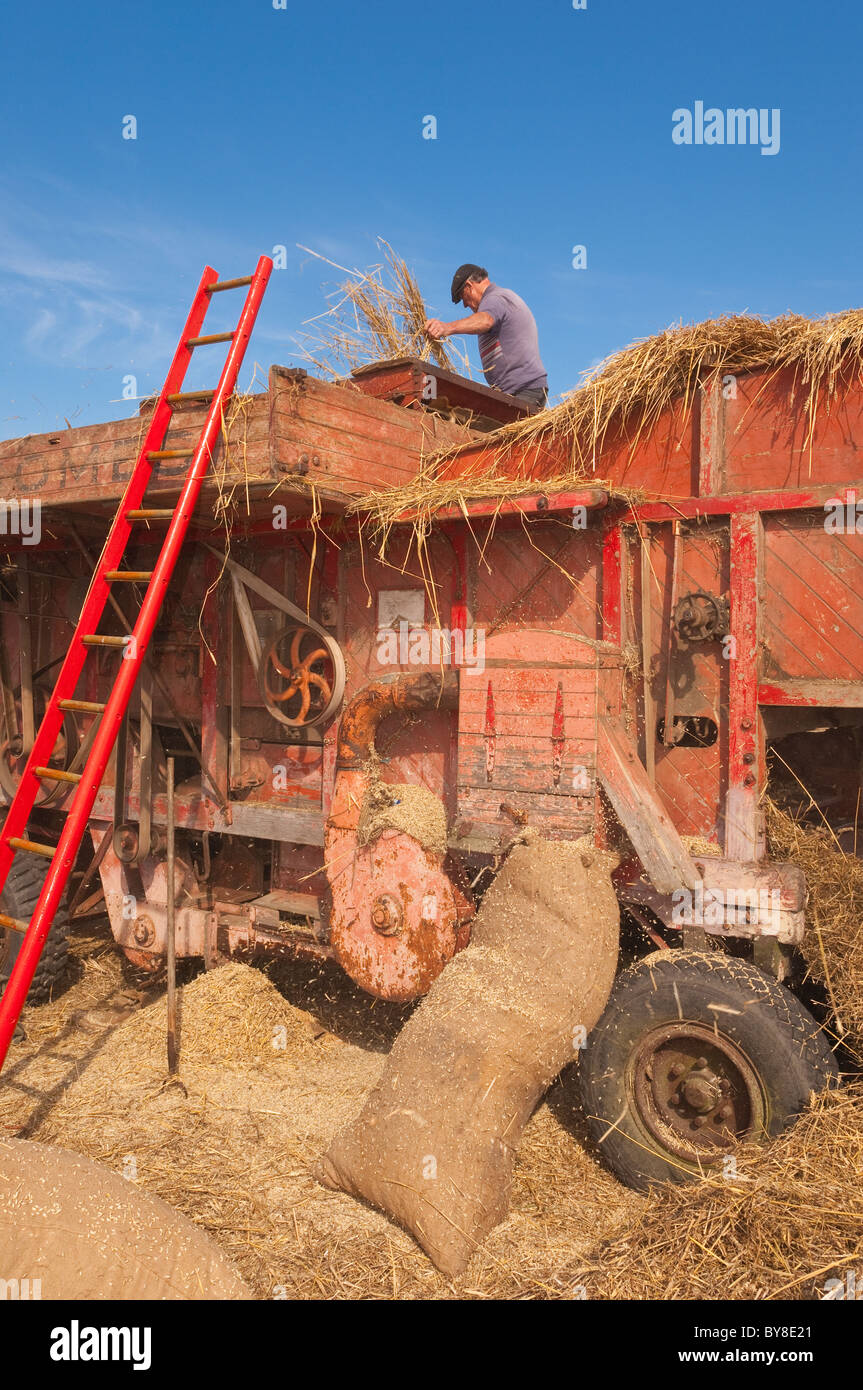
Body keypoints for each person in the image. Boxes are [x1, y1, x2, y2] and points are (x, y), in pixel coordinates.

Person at [425, 264, 548, 413]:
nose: (464, 304)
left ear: (469, 286)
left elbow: (485, 320)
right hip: (521, 391)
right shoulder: (503, 297)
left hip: (522, 391)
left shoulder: (494, 298)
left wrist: (447, 327)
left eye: (463, 297)